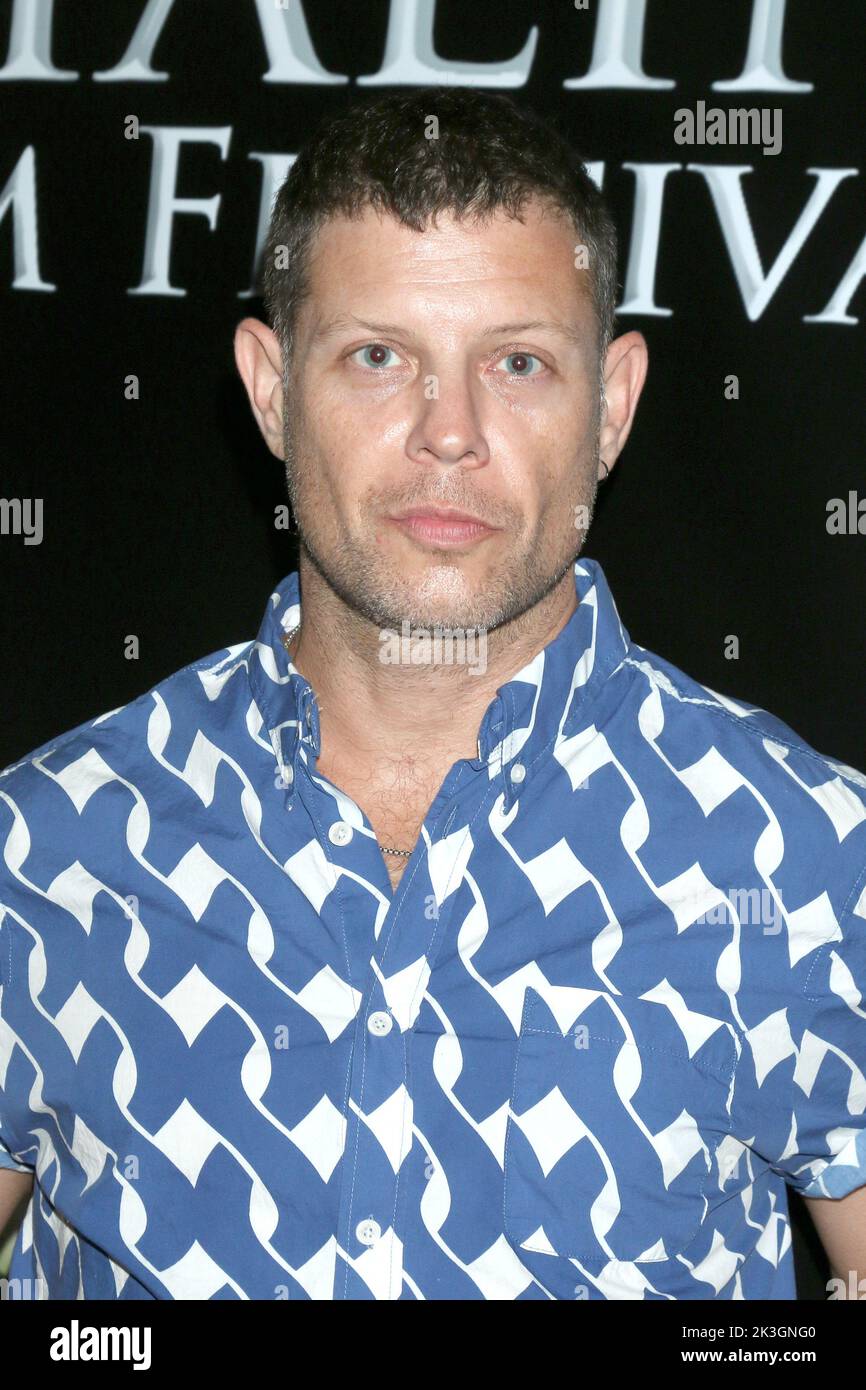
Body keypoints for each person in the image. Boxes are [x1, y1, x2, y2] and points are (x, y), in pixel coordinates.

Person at [1, 87, 864, 1302]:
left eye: (515, 362)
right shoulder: (44, 849)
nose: (446, 432)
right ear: (268, 388)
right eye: (375, 356)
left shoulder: (809, 857)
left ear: (609, 404)